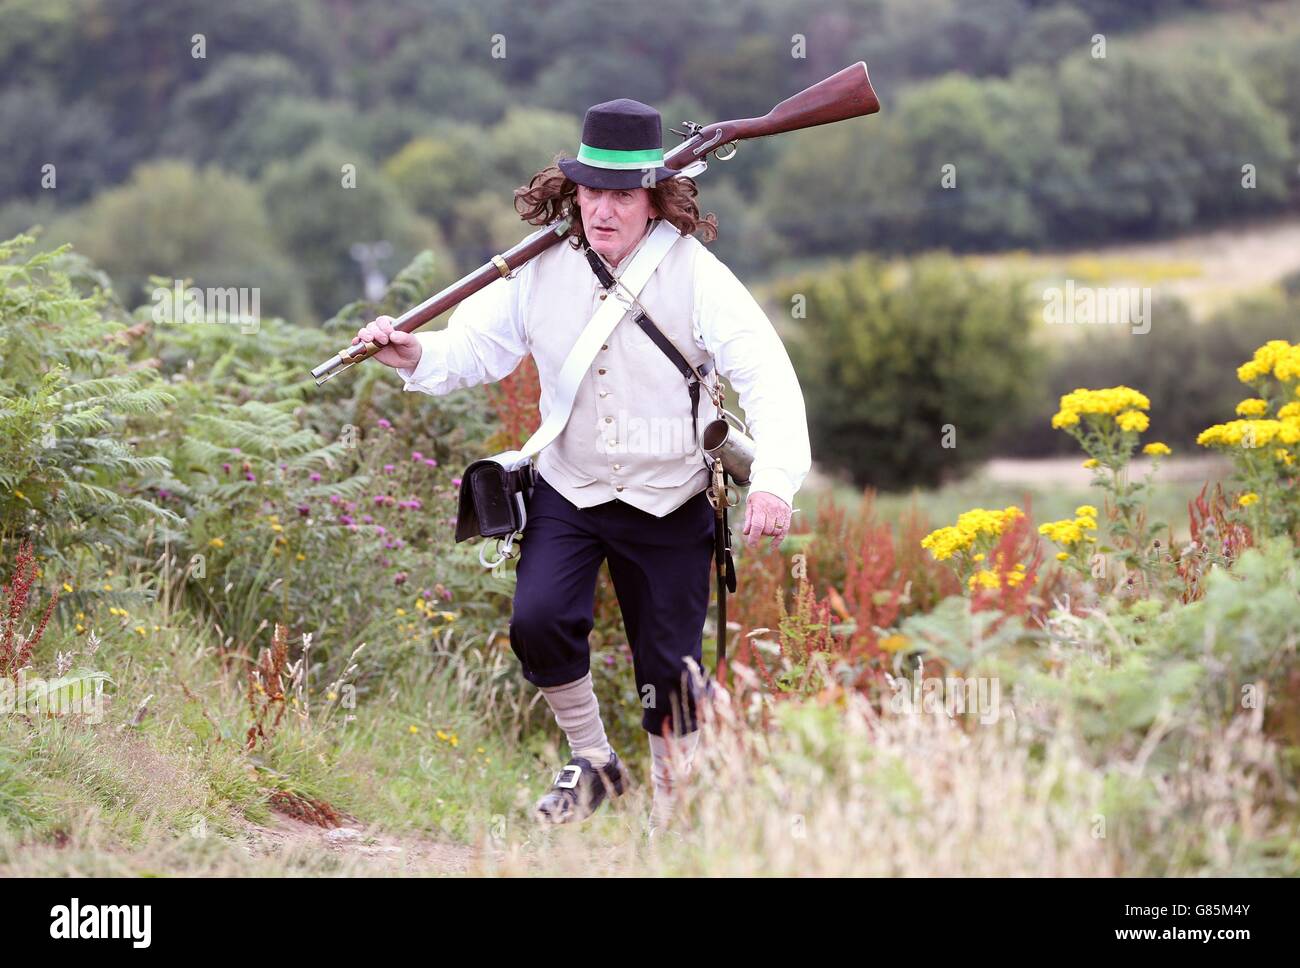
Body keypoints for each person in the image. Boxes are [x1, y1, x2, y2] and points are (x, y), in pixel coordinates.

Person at [352, 97, 811, 835]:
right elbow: (474, 352)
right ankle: (594, 759)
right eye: (591, 191)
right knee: (538, 622)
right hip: (571, 485)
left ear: (655, 198)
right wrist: (414, 354)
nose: (602, 210)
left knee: (670, 675)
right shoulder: (537, 269)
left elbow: (767, 377)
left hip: (671, 496)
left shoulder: (699, 275)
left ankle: (674, 813)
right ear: (573, 192)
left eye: (621, 195)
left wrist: (777, 482)